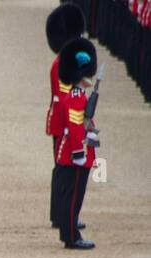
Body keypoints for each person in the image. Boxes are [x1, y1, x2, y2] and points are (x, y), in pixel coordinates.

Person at [52, 37, 99, 249]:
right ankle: (72, 236)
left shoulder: (77, 96)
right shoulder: (76, 98)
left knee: (72, 196)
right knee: (73, 198)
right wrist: (79, 152)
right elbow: (75, 126)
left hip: (73, 152)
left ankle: (69, 232)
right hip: (74, 156)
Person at [46, 4, 87, 232]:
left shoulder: (64, 61)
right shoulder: (62, 65)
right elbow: (67, 99)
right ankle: (63, 216)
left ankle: (60, 215)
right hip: (63, 124)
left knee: (62, 172)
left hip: (61, 121)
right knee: (65, 173)